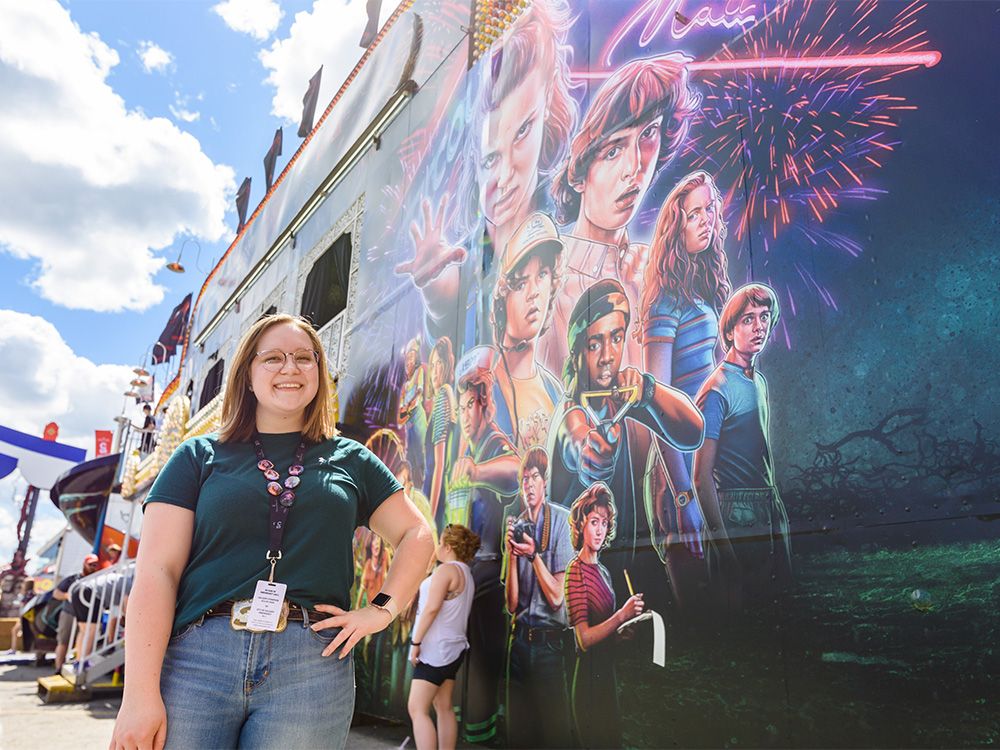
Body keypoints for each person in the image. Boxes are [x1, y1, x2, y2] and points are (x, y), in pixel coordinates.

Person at [110, 313, 435, 750]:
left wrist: (380, 610)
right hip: (198, 661)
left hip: (312, 665)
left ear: (320, 373)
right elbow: (157, 573)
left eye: (305, 358)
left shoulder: (351, 459)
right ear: (248, 373)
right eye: (274, 358)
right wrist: (138, 696)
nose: (290, 368)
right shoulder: (197, 456)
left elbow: (418, 535)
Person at [396, 0, 579, 356]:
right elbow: (448, 331)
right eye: (491, 158)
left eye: (524, 130)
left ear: (548, 106)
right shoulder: (468, 253)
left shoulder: (570, 228)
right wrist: (436, 291)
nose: (506, 175)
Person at [541, 52, 700, 375]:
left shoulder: (659, 271)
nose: (634, 168)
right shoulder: (548, 285)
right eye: (613, 150)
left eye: (648, 135)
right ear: (580, 174)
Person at [546, 279, 704, 599]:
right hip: (584, 588)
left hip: (628, 578)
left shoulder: (623, 397)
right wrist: (594, 452)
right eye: (595, 343)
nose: (607, 355)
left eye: (616, 338)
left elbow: (693, 430)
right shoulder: (570, 413)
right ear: (578, 351)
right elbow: (578, 441)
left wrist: (648, 391)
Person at [693, 284, 791, 602]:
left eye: (764, 317)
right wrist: (724, 549)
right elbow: (701, 477)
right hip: (737, 515)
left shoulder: (758, 380)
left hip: (769, 508)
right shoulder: (717, 389)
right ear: (730, 329)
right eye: (748, 319)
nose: (759, 326)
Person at [448, 345, 519, 745]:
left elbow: (514, 470)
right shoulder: (470, 446)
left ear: (482, 405)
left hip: (489, 578)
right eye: (458, 408)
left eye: (467, 406)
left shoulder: (493, 443)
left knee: (484, 670)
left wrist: (477, 470)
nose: (462, 416)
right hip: (468, 578)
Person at [502, 447, 574, 748]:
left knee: (554, 734)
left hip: (550, 646)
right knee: (519, 733)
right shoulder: (518, 526)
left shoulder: (562, 522)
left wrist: (533, 556)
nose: (529, 485)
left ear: (545, 482)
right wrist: (512, 556)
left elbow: (558, 597)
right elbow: (512, 604)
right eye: (524, 480)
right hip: (518, 643)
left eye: (534, 478)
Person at [564, 483, 644, 749]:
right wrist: (621, 615)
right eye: (593, 521)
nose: (599, 529)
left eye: (604, 522)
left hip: (606, 675)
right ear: (581, 525)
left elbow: (604, 631)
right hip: (588, 679)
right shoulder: (575, 571)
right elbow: (584, 639)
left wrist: (622, 634)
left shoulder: (604, 572)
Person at [490, 212, 565, 453]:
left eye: (542, 274)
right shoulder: (485, 387)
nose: (534, 292)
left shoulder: (555, 392)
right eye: (521, 282)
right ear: (504, 296)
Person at [407, 524, 480, 750]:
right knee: (443, 705)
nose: (438, 547)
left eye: (440, 543)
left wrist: (415, 642)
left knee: (417, 708)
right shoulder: (465, 573)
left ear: (448, 546)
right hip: (453, 650)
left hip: (435, 651)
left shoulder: (447, 571)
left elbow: (431, 609)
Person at [426, 336, 459, 526]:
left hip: (436, 494)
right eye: (432, 365)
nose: (435, 370)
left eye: (439, 363)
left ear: (446, 366)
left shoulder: (441, 399)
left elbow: (439, 465)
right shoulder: (447, 395)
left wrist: (430, 516)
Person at [51, 554, 99, 672]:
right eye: (90, 564)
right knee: (64, 641)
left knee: (83, 637)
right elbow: (56, 593)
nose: (93, 567)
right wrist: (67, 595)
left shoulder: (97, 579)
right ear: (84, 564)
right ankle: (58, 668)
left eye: (95, 565)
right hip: (70, 614)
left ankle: (79, 662)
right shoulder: (73, 579)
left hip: (86, 616)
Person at [399, 336, 429, 489]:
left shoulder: (419, 373)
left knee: (421, 452)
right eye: (407, 358)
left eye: (412, 357)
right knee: (410, 456)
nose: (409, 361)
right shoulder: (404, 385)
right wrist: (403, 410)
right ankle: (414, 486)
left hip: (418, 417)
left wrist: (409, 406)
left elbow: (419, 392)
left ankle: (424, 481)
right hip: (408, 424)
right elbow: (401, 408)